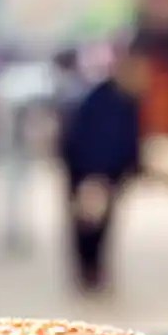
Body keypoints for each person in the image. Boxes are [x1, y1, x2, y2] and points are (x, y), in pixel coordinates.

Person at [58, 52, 145, 293]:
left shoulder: (126, 102)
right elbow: (85, 139)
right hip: (91, 173)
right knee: (88, 227)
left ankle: (95, 271)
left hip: (107, 175)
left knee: (101, 227)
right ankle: (87, 271)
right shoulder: (102, 101)